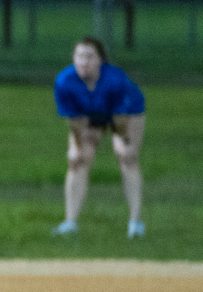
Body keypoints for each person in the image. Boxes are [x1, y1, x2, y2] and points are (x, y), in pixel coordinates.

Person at [52, 36, 146, 238]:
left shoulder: (115, 79)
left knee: (126, 155)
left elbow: (120, 121)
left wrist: (124, 141)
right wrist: (77, 146)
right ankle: (70, 223)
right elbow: (75, 122)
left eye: (89, 56)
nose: (83, 62)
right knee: (77, 159)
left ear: (100, 59)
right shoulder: (65, 81)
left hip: (125, 114)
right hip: (90, 114)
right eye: (79, 56)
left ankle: (135, 223)